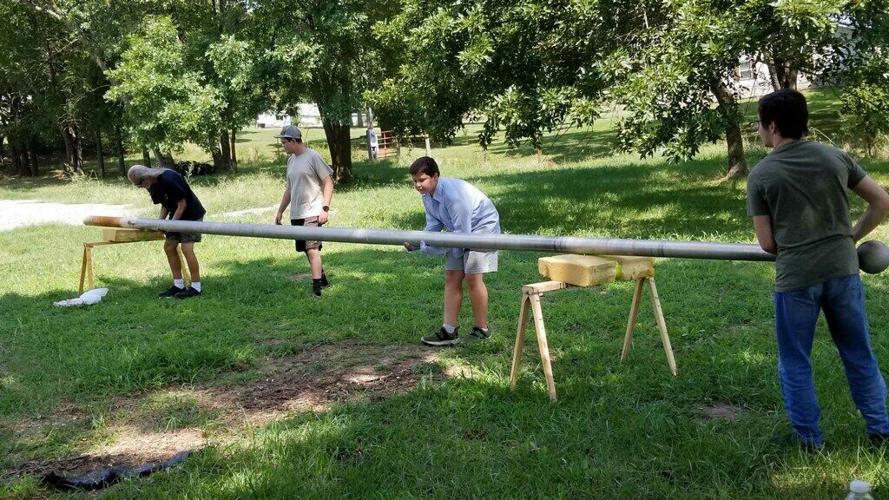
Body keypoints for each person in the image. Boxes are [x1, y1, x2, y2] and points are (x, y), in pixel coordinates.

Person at [747, 89, 889, 449]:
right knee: (858, 352)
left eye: (760, 125)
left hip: (797, 280)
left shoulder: (762, 175)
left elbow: (767, 244)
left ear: (773, 126)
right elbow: (881, 201)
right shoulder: (835, 157)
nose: (759, 131)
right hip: (843, 270)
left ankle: (809, 440)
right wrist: (852, 236)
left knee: (795, 361)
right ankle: (881, 430)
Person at [404, 156, 501, 346]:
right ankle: (449, 331)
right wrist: (418, 242)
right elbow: (433, 226)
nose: (418, 185)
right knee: (452, 276)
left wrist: (426, 246)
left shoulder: (453, 195)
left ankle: (482, 330)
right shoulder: (427, 196)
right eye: (415, 181)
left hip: (482, 229)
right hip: (459, 232)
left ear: (435, 176)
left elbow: (463, 235)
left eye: (422, 180)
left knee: (473, 277)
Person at [127, 165, 206, 299]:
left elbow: (182, 204)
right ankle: (178, 285)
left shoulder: (170, 178)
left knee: (186, 248)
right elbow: (165, 204)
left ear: (145, 178)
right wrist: (160, 223)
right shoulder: (151, 185)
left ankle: (196, 287)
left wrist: (170, 224)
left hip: (191, 214)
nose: (141, 188)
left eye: (139, 185)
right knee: (169, 247)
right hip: (175, 215)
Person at [273, 125, 334, 298]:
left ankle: (317, 290)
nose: (282, 146)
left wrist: (325, 208)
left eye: (284, 142)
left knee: (313, 249)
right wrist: (280, 211)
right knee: (307, 250)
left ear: (293, 141)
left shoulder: (313, 156)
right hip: (297, 213)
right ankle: (322, 279)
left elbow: (328, 183)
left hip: (313, 211)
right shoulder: (291, 160)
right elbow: (289, 189)